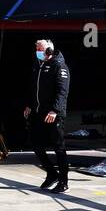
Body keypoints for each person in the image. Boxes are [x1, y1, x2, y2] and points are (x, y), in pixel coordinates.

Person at [23, 39, 71, 193]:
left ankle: (63, 182)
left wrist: (55, 110)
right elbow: (33, 89)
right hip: (38, 112)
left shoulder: (59, 66)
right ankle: (52, 174)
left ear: (49, 51)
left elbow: (62, 91)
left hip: (53, 113)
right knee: (35, 143)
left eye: (40, 49)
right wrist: (30, 105)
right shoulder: (38, 65)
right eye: (36, 48)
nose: (37, 51)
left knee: (59, 147)